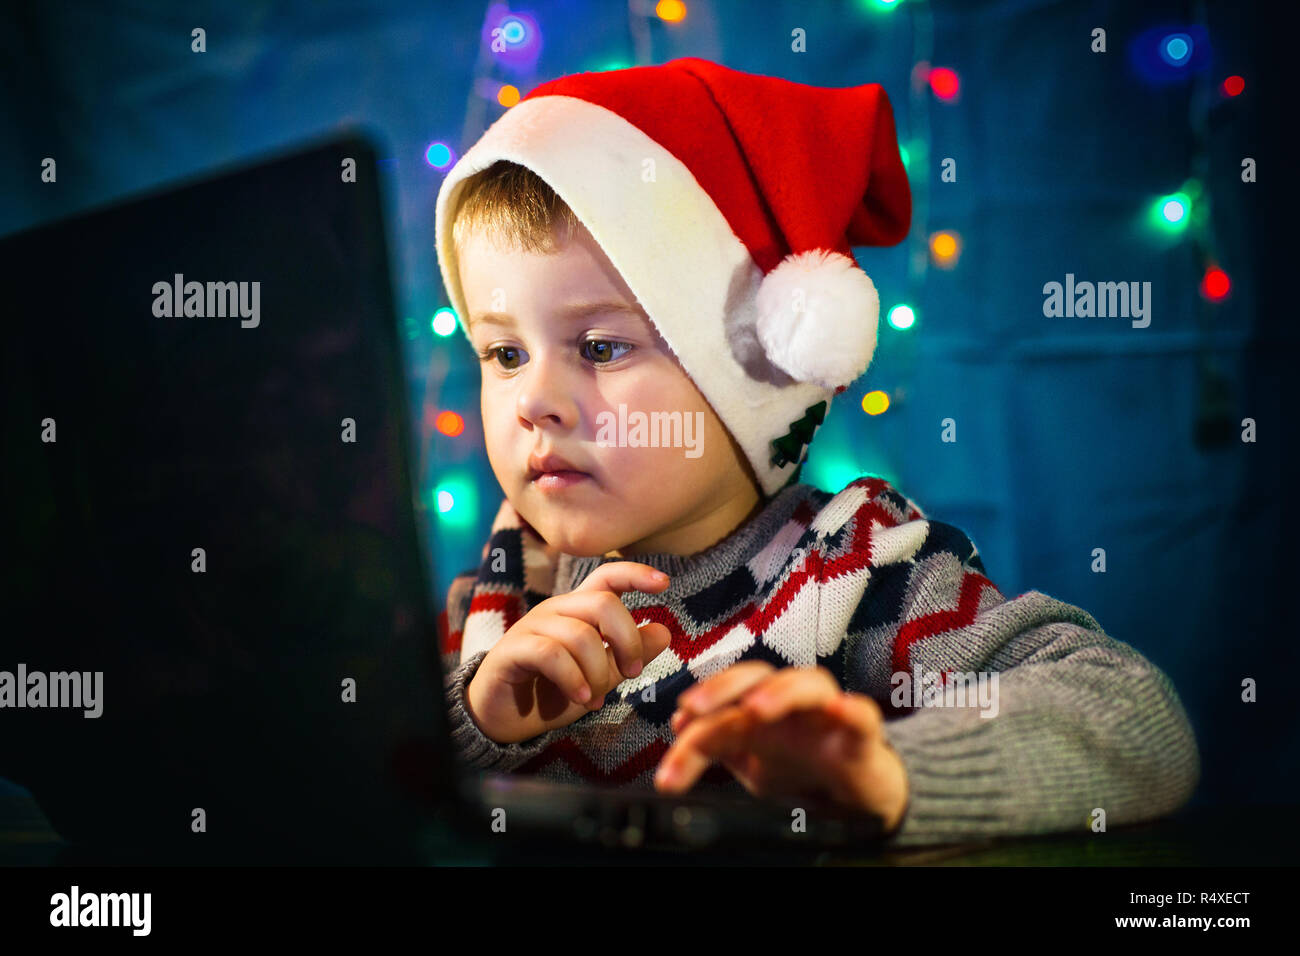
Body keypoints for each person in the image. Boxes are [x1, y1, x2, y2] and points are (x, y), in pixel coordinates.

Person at [430, 57, 1199, 846]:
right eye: (504, 355)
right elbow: (351, 792)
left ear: (751, 365)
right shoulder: (502, 588)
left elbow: (1136, 719)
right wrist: (482, 719)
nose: (533, 403)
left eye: (598, 346)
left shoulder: (861, 576)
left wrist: (886, 774)